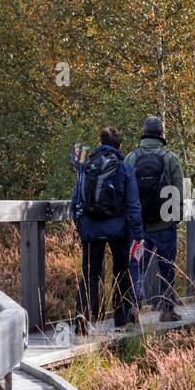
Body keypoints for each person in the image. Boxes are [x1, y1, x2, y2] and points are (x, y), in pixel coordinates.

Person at [73, 127, 145, 332]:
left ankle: (82, 315)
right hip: (119, 230)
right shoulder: (123, 168)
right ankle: (121, 318)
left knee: (90, 273)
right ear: (119, 145)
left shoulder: (87, 165)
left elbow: (77, 198)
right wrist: (137, 235)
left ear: (100, 142)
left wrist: (80, 226)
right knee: (121, 271)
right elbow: (133, 205)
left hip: (91, 228)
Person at [126, 115, 184, 323]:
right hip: (164, 222)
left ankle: (132, 309)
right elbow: (177, 190)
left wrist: (130, 220)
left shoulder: (131, 158)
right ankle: (167, 309)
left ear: (144, 132)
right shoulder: (171, 158)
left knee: (136, 264)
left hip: (138, 225)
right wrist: (176, 217)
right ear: (161, 133)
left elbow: (126, 190)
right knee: (167, 265)